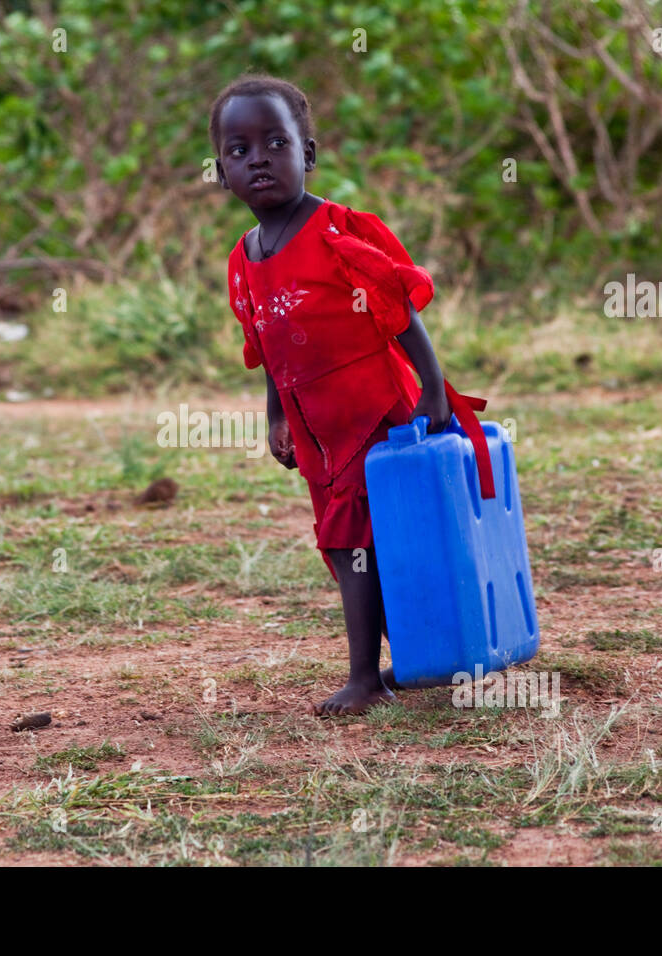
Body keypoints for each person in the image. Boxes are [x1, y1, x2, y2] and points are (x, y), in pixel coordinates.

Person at [211, 74, 481, 717]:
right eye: (239, 150)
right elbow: (269, 344)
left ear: (308, 152)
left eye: (276, 143)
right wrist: (275, 415)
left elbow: (398, 309)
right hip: (318, 434)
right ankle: (419, 655)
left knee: (363, 538)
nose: (258, 161)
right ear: (220, 171)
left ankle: (366, 677)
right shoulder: (244, 259)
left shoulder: (334, 231)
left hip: (377, 418)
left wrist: (435, 389)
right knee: (345, 546)